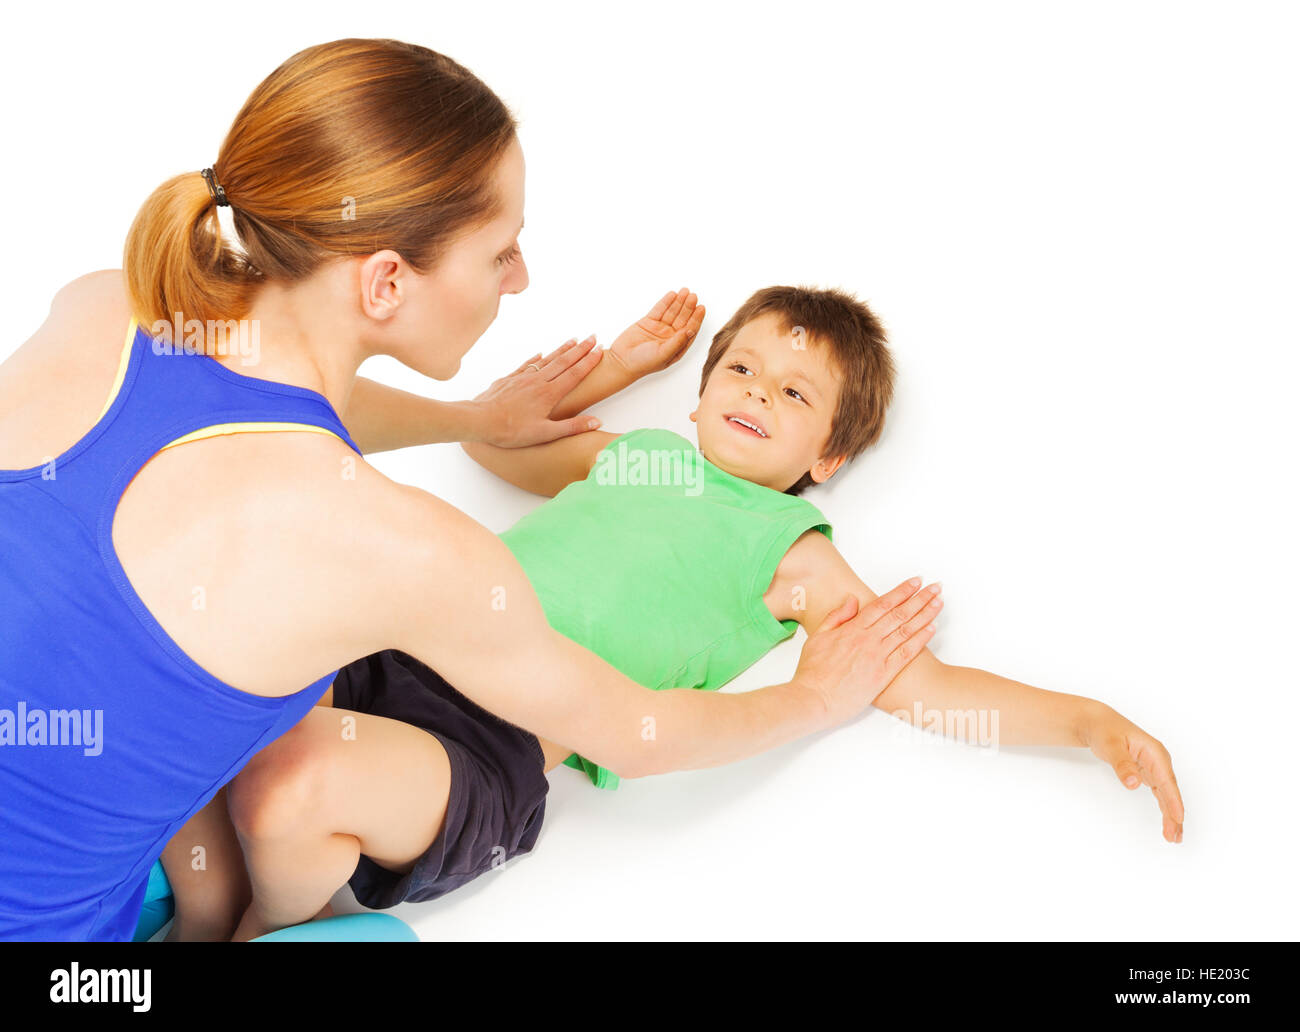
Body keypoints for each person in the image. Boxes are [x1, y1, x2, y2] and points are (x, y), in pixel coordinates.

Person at [0, 38, 933, 942]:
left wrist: (473, 422)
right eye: (501, 252)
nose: (520, 277)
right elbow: (637, 736)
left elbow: (258, 388)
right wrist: (817, 698)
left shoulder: (105, 303)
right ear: (386, 283)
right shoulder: (399, 551)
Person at [208, 285, 1183, 941]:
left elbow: (915, 682)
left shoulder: (790, 548)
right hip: (398, 650)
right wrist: (621, 367)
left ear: (828, 455)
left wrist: (1088, 724)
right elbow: (496, 452)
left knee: (291, 785)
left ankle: (263, 930)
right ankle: (190, 911)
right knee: (209, 704)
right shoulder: (635, 455)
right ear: (705, 388)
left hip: (492, 749)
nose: (757, 392)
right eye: (742, 370)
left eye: (794, 392)